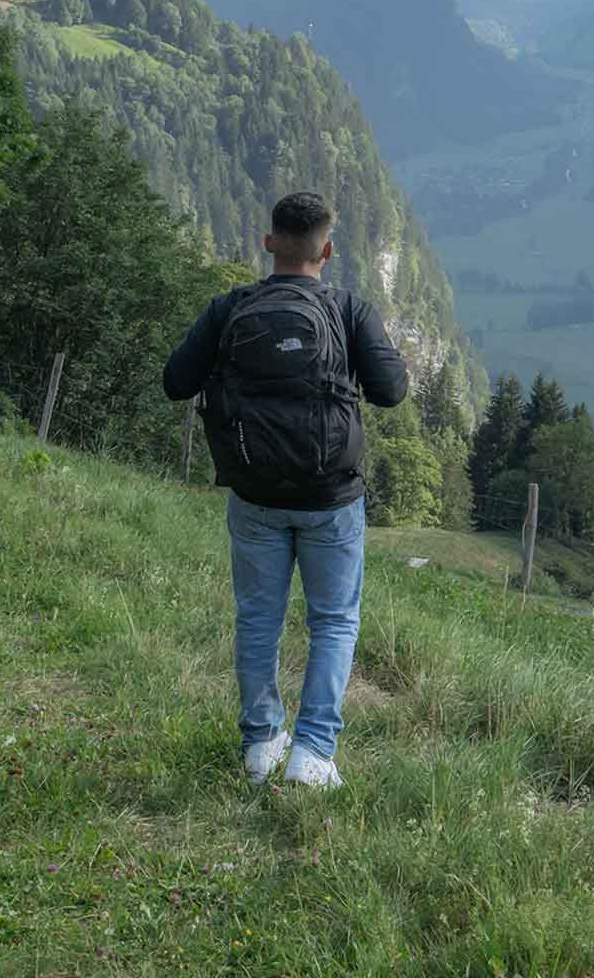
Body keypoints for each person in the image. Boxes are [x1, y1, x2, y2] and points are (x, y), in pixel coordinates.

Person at [164, 190, 408, 789]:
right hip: (331, 497)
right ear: (326, 250)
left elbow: (176, 382)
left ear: (270, 243)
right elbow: (392, 390)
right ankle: (313, 753)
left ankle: (260, 744)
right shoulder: (349, 309)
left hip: (253, 495)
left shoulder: (229, 308)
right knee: (333, 622)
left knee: (258, 618)